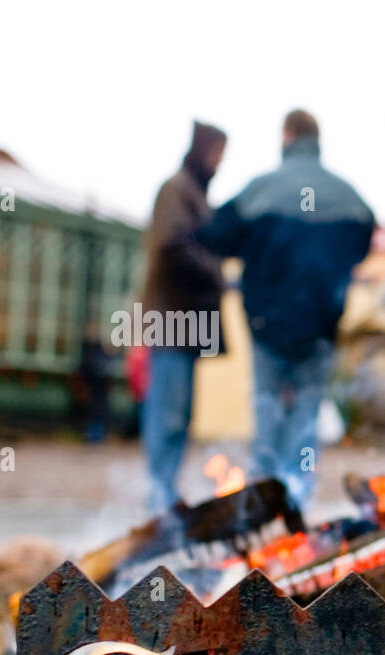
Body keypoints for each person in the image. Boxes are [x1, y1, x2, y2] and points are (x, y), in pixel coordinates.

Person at [199, 109, 373, 510]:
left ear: (287, 136)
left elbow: (216, 235)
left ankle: (261, 502)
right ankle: (297, 502)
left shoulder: (260, 189)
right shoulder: (349, 197)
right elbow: (362, 242)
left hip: (266, 325)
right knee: (307, 417)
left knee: (267, 408)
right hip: (320, 329)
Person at [139, 121, 227, 512]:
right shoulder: (177, 190)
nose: (219, 162)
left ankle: (166, 492)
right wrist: (214, 272)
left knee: (180, 413)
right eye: (216, 153)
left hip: (187, 324)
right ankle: (160, 497)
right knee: (169, 413)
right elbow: (173, 245)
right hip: (173, 322)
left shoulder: (195, 195)